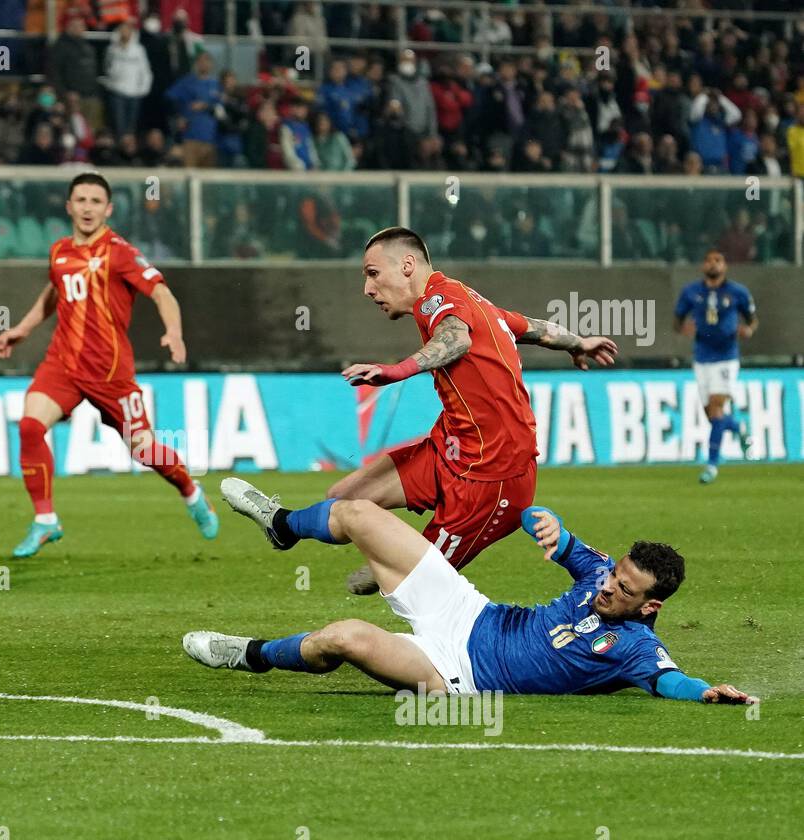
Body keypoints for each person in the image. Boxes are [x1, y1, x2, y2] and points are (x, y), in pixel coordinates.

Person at [184, 478, 757, 709]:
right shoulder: (602, 571)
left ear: (650, 606)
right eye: (613, 574)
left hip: (458, 671)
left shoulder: (636, 648)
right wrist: (548, 520)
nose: (607, 585)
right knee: (359, 512)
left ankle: (249, 655)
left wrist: (707, 692)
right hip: (466, 608)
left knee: (343, 637)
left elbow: (669, 680)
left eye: (622, 588)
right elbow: (535, 513)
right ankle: (283, 525)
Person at [332, 227, 618, 595]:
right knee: (342, 501)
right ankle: (308, 530)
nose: (368, 289)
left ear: (407, 265)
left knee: (414, 585)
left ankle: (415, 587)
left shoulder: (438, 301)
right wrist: (578, 342)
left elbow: (457, 339)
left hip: (497, 469)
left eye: (372, 274)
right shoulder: (470, 300)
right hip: (457, 447)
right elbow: (534, 328)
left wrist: (396, 370)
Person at [0, 172, 219, 557]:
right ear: (69, 206)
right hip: (62, 364)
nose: (87, 208)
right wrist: (22, 330)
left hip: (110, 373)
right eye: (80, 200)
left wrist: (174, 332)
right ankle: (46, 520)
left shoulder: (120, 252)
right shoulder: (59, 251)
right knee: (30, 426)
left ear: (108, 209)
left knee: (144, 449)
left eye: (96, 201)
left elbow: (161, 292)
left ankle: (191, 491)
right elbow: (55, 290)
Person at [673, 249, 757, 484]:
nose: (713, 263)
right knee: (713, 417)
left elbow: (752, 319)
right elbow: (677, 320)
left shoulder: (738, 292)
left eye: (718, 260)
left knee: (718, 409)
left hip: (726, 357)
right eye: (709, 259)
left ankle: (711, 466)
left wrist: (748, 330)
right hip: (702, 358)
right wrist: (682, 328)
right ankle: (738, 426)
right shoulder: (690, 292)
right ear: (703, 265)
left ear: (725, 266)